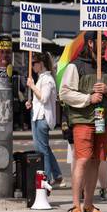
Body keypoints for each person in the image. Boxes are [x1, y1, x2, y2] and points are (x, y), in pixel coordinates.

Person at [59, 36, 107, 212]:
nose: (105, 48)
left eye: (106, 45)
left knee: (96, 160)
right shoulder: (75, 65)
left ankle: (88, 204)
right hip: (82, 119)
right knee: (83, 159)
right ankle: (75, 206)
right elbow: (65, 92)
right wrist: (88, 98)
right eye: (102, 44)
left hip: (104, 120)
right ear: (90, 43)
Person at [26, 52, 65, 189]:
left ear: (40, 64)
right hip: (37, 116)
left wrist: (32, 86)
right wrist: (30, 102)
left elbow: (44, 97)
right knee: (44, 148)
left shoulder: (47, 79)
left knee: (41, 150)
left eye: (33, 64)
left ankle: (47, 179)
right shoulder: (41, 78)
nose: (32, 67)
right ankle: (57, 175)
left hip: (43, 118)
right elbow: (39, 99)